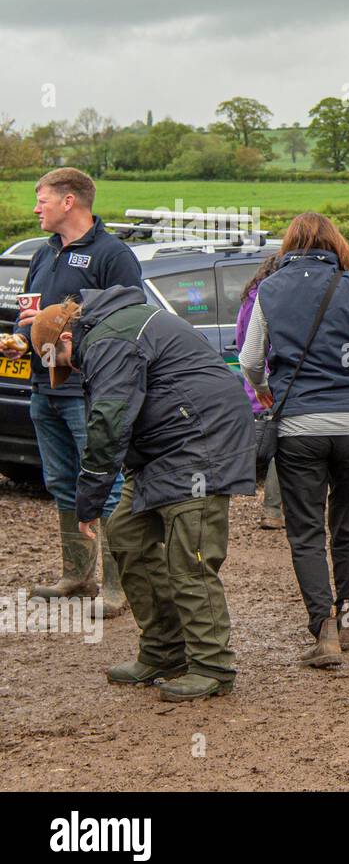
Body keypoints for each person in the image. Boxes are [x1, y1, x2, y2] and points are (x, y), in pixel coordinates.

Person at [30, 286, 255, 701]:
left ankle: (211, 665)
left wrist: (88, 501)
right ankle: (163, 650)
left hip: (201, 441)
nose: (71, 371)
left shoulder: (108, 341)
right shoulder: (106, 332)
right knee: (127, 532)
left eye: (64, 363)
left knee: (190, 556)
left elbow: (109, 420)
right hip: (164, 445)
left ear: (65, 339)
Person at [240, 213, 349, 668]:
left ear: (289, 244)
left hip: (299, 425)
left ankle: (324, 628)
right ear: (335, 242)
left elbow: (250, 356)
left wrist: (261, 387)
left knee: (307, 531)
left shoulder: (269, 289)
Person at [1, 168, 140, 617]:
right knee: (62, 482)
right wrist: (22, 340)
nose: (35, 207)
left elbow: (129, 323)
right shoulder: (44, 254)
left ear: (68, 202)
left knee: (107, 485)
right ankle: (77, 576)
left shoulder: (113, 254)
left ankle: (117, 589)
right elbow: (35, 316)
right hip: (43, 387)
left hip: (91, 390)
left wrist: (72, 338)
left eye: (41, 199)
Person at [235, 254, 285, 530]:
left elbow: (243, 342)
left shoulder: (249, 297)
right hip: (271, 384)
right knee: (280, 446)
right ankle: (273, 510)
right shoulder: (272, 299)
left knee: (261, 444)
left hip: (254, 382)